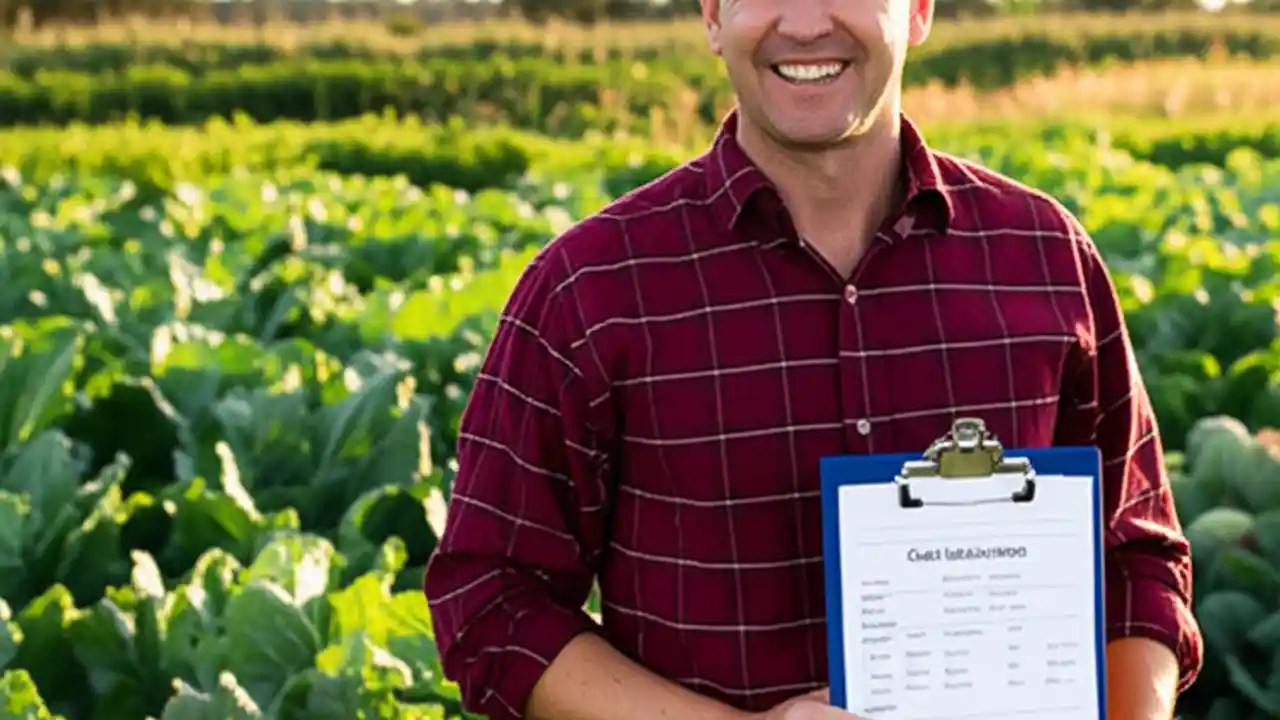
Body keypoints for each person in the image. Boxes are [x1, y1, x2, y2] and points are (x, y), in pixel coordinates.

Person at [423, 0, 1204, 717]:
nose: (803, 24)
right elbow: (491, 596)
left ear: (920, 10)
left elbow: (1133, 557)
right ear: (712, 15)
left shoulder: (1043, 256)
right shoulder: (590, 287)